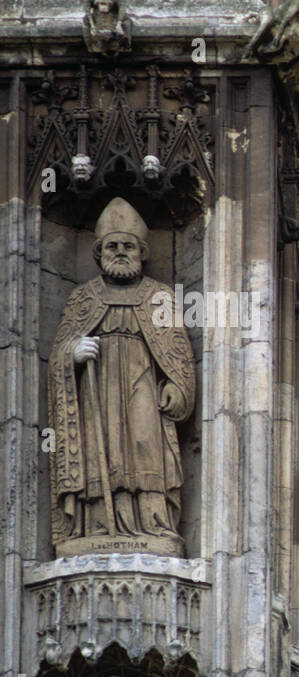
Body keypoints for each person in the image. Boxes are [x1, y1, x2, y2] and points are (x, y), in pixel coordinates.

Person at [48, 198, 196, 556]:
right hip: (95, 391)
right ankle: (97, 523)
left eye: (128, 246)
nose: (120, 252)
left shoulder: (159, 296)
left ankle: (152, 524)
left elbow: (178, 355)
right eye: (112, 246)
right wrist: (72, 353)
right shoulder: (83, 297)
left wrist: (178, 387)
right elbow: (58, 355)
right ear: (100, 253)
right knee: (104, 453)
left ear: (142, 252)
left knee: (146, 448)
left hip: (142, 384)